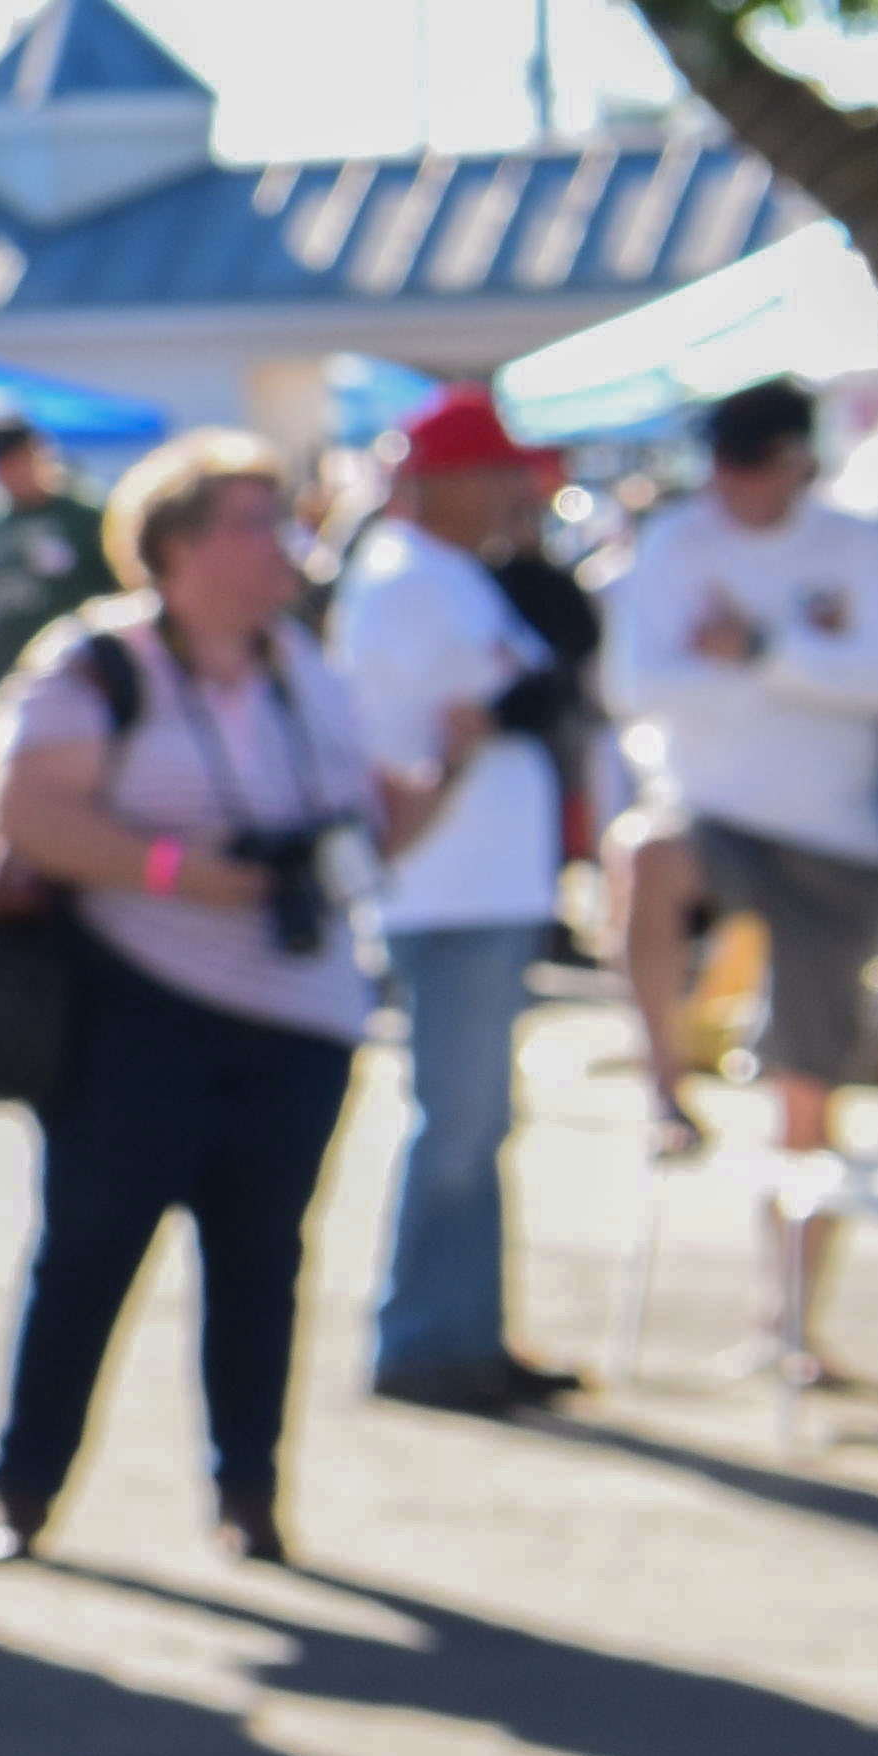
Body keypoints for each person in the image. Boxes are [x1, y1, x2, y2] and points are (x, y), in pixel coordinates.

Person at [0, 430, 424, 1568]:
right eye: (250, 521)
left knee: (261, 1264)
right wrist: (181, 871)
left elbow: (358, 818)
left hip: (295, 1018)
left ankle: (249, 1493)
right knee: (88, 1255)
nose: (279, 544)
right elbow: (21, 809)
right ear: (176, 548)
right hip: (135, 1008)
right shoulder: (97, 665)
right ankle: (24, 1488)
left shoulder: (300, 666)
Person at [602, 377, 878, 1251]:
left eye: (750, 467)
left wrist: (760, 653)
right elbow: (640, 687)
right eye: (721, 466)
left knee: (807, 1092)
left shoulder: (856, 544)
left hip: (835, 842)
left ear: (796, 463)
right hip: (717, 816)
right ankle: (665, 1088)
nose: (730, 487)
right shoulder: (677, 540)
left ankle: (787, 1326)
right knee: (645, 853)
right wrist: (809, 676)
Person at [333, 391, 597, 1416]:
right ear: (444, 479)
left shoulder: (453, 571)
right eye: (496, 472)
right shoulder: (408, 577)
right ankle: (425, 1337)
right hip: (445, 885)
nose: (515, 489)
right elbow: (487, 707)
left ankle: (467, 1330)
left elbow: (554, 654)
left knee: (478, 1118)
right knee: (457, 1119)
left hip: (479, 880)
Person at [0, 418, 112, 685]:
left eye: (18, 461)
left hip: (78, 670)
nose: (10, 473)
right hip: (6, 672)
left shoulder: (84, 518)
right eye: (1, 466)